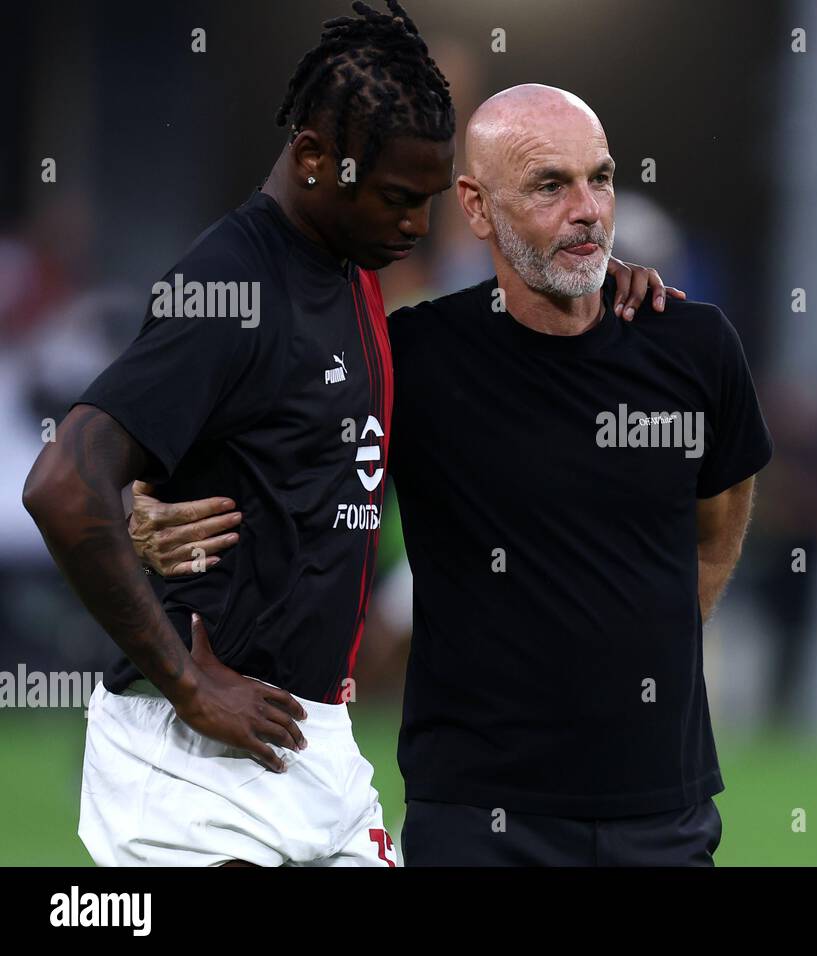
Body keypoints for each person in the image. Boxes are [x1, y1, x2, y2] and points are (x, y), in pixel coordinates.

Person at [23, 2, 675, 868]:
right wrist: (186, 680)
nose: (412, 224)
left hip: (313, 743)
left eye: (428, 202)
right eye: (397, 200)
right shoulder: (230, 283)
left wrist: (585, 280)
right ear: (313, 158)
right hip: (195, 766)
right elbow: (64, 485)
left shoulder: (343, 265)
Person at [140, 83, 772, 866]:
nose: (588, 208)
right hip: (479, 818)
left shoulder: (695, 346)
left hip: (665, 812)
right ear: (475, 206)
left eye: (599, 178)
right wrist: (143, 502)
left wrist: (651, 643)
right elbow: (257, 450)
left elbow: (720, 520)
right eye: (551, 185)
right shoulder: (413, 357)